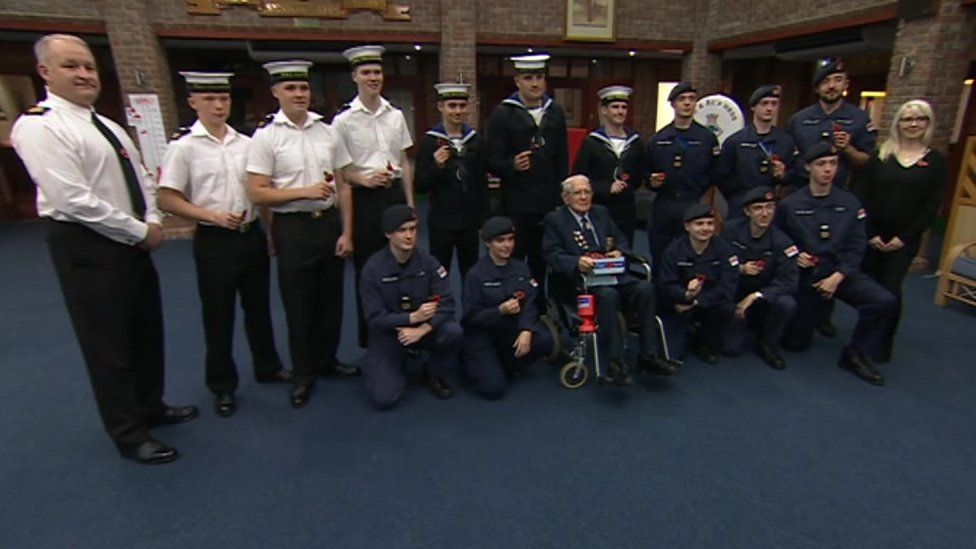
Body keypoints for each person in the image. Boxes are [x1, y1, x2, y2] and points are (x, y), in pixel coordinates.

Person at [11, 34, 197, 464]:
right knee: (108, 343)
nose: (83, 74)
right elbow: (72, 198)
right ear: (45, 72)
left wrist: (152, 220)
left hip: (132, 240)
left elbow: (144, 181)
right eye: (70, 66)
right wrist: (137, 230)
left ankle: (151, 406)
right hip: (88, 247)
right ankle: (129, 433)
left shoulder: (108, 125)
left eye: (89, 67)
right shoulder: (40, 126)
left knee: (144, 331)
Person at [159, 71, 290, 418]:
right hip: (215, 240)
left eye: (224, 99)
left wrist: (270, 232)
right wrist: (210, 216)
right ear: (193, 102)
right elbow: (167, 198)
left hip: (250, 235)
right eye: (209, 100)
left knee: (259, 308)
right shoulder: (183, 147)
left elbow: (259, 194)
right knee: (219, 315)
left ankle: (268, 366)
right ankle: (222, 385)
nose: (218, 106)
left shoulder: (247, 143)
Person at [246, 60, 355, 409]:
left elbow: (343, 183)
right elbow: (257, 192)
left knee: (330, 301)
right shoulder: (265, 137)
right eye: (290, 88)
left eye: (304, 88)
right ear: (276, 92)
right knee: (298, 305)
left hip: (327, 224)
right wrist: (302, 193)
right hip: (293, 228)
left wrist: (347, 231)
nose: (299, 94)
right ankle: (303, 374)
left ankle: (328, 360)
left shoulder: (328, 131)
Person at [776, 142, 896, 386]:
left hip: (839, 272)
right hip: (807, 275)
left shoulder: (850, 203)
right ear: (808, 167)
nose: (827, 169)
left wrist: (839, 276)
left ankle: (856, 352)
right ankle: (815, 315)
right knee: (795, 344)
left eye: (832, 163)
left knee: (883, 301)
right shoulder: (790, 204)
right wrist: (794, 253)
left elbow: (857, 245)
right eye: (821, 164)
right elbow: (778, 240)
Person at [543, 175, 679, 385]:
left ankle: (649, 356)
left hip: (611, 273)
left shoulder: (601, 213)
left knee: (645, 288)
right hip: (580, 280)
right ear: (565, 197)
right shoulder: (556, 220)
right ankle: (615, 362)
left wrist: (620, 252)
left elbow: (621, 239)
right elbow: (551, 254)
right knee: (608, 295)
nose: (583, 197)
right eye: (577, 193)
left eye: (587, 192)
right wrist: (576, 261)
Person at [786, 59, 877, 338]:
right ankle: (801, 310)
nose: (832, 85)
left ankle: (824, 311)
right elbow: (791, 160)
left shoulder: (859, 119)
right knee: (803, 254)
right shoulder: (799, 119)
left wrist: (846, 148)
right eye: (826, 80)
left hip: (840, 196)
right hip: (801, 195)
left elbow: (867, 161)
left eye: (838, 79)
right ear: (818, 87)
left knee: (832, 252)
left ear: (845, 85)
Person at [333, 45, 415, 348]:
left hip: (393, 196)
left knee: (401, 265)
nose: (373, 78)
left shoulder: (395, 116)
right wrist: (362, 179)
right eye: (366, 72)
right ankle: (373, 340)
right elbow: (341, 172)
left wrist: (409, 204)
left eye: (377, 72)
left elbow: (405, 161)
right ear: (354, 76)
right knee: (368, 272)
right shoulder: (343, 122)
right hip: (364, 200)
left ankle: (403, 333)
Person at [855, 99, 947, 363]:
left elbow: (931, 206)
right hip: (872, 235)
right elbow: (862, 195)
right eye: (907, 119)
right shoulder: (881, 156)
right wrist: (869, 232)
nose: (913, 124)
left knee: (891, 290)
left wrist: (903, 238)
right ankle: (863, 339)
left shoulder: (935, 162)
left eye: (920, 119)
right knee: (870, 289)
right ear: (898, 123)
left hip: (903, 240)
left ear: (928, 123)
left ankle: (882, 344)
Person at [359, 205, 461, 410]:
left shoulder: (428, 263)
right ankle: (384, 364)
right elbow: (374, 318)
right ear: (388, 233)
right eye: (402, 230)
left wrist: (422, 329)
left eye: (413, 229)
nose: (409, 236)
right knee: (384, 399)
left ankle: (431, 371)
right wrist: (411, 318)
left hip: (422, 330)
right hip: (388, 334)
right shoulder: (372, 269)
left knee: (453, 331)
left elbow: (448, 303)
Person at [487, 53, 569, 304]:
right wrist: (511, 165)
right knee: (515, 260)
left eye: (539, 77)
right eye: (528, 78)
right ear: (517, 81)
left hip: (548, 203)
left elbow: (562, 159)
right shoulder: (503, 113)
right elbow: (491, 161)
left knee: (543, 260)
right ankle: (514, 307)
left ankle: (541, 311)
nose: (535, 83)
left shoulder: (555, 111)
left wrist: (562, 198)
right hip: (517, 204)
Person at [462, 216, 555, 399]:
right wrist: (499, 311)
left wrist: (527, 329)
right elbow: (469, 318)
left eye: (510, 239)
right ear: (488, 243)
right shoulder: (475, 275)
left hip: (509, 329)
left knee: (544, 340)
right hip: (482, 333)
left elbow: (530, 302)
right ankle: (472, 361)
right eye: (500, 241)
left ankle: (505, 363)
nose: (507, 245)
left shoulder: (521, 269)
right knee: (493, 389)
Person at [415, 82, 489, 277]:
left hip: (469, 221)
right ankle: (440, 309)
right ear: (441, 107)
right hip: (442, 221)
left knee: (471, 274)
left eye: (462, 106)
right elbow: (420, 186)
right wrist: (436, 166)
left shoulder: (475, 140)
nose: (457, 111)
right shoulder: (429, 141)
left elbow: (481, 183)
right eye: (452, 106)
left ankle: (471, 309)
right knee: (439, 274)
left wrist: (484, 220)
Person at [720, 187, 798, 369]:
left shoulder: (782, 241)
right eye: (758, 208)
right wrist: (739, 269)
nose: (765, 214)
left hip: (764, 294)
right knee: (730, 349)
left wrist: (757, 295)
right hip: (735, 290)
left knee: (787, 303)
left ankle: (768, 343)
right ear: (747, 211)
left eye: (770, 207)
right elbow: (717, 263)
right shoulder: (730, 230)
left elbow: (790, 281)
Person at [644, 82, 720, 266]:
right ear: (673, 104)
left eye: (691, 99)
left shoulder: (707, 138)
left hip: (693, 201)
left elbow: (716, 173)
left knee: (692, 256)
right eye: (682, 99)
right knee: (659, 254)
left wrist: (707, 207)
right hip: (664, 203)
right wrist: (651, 181)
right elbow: (646, 173)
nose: (687, 103)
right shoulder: (659, 138)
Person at [657, 203, 739, 364]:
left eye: (709, 223)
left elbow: (728, 287)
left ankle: (704, 340)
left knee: (731, 348)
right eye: (699, 224)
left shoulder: (725, 250)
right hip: (679, 306)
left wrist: (697, 301)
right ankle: (687, 332)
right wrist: (685, 295)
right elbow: (665, 286)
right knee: (672, 356)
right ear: (687, 226)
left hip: (710, 304)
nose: (705, 228)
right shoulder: (673, 251)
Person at [572, 85, 643, 244]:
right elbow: (578, 177)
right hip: (598, 209)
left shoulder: (636, 142)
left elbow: (638, 176)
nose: (620, 112)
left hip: (626, 211)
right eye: (615, 107)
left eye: (624, 107)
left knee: (624, 254)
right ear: (604, 110)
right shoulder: (591, 142)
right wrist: (606, 188)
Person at [717, 85, 797, 217]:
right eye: (764, 103)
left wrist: (783, 175)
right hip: (741, 205)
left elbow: (794, 173)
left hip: (770, 205)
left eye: (774, 104)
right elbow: (722, 176)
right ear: (753, 107)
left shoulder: (785, 141)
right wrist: (736, 197)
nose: (769, 108)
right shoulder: (735, 141)